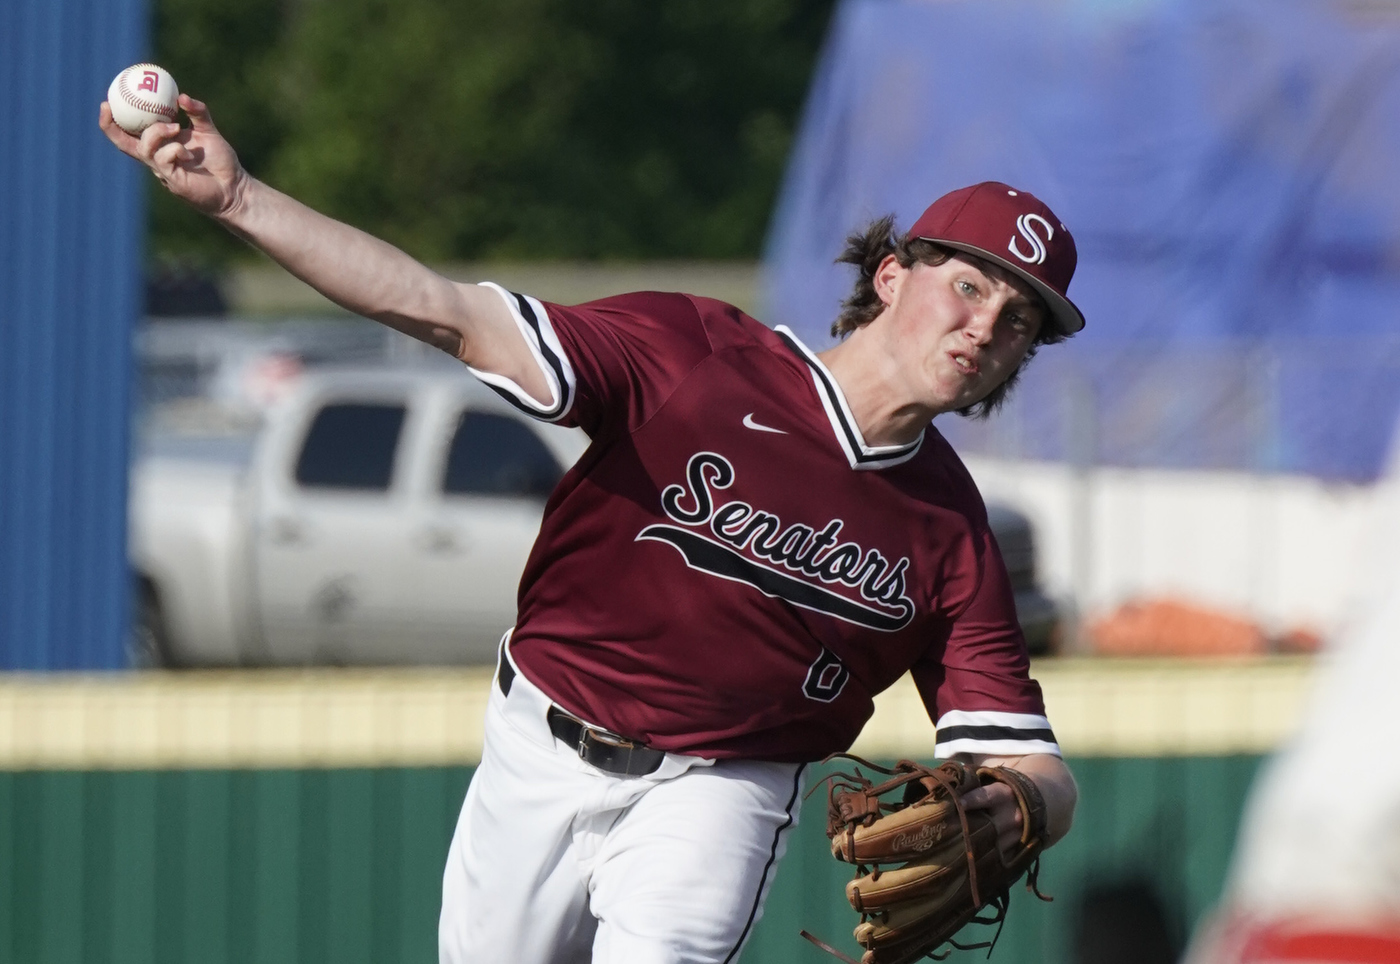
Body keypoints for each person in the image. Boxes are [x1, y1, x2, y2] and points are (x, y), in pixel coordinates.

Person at [102, 94, 1082, 964]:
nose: (983, 328)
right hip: (538, 740)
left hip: (720, 791)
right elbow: (443, 311)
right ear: (891, 275)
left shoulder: (952, 534)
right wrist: (241, 200)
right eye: (968, 286)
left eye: (1016, 323)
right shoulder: (694, 355)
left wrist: (1030, 803)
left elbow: (1035, 765)